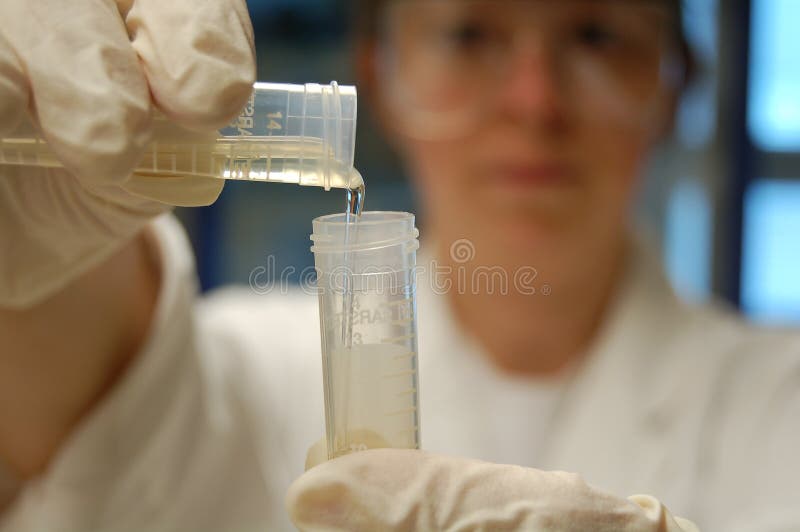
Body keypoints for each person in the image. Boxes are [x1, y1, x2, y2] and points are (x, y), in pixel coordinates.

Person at [0, 0, 798, 530]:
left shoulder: (780, 402)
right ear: (382, 78)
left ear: (670, 83)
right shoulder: (251, 366)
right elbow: (91, 383)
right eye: (469, 35)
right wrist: (29, 270)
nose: (534, 101)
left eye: (596, 35)